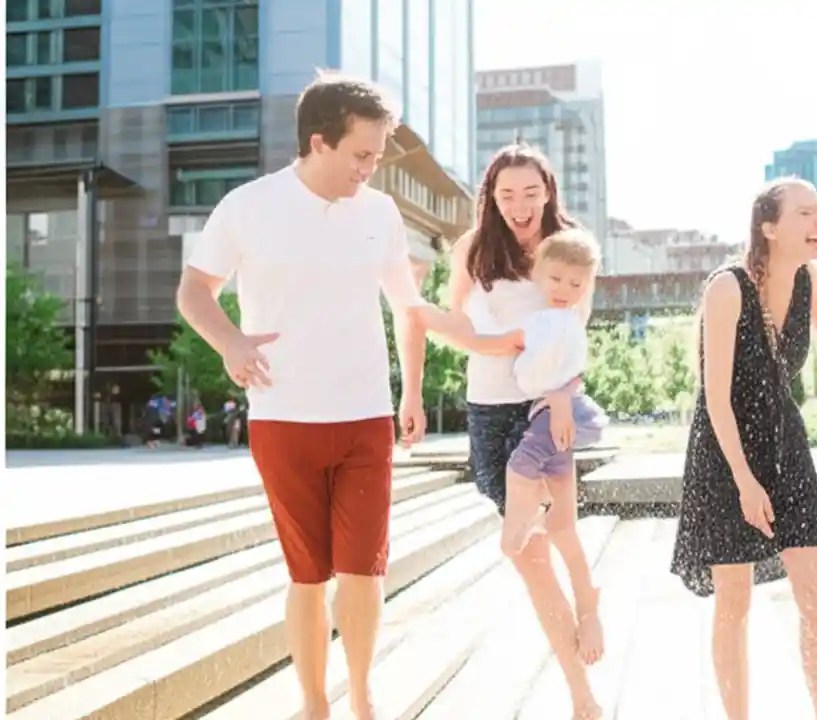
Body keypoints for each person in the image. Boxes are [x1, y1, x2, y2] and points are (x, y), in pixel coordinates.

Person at [176, 73, 430, 720]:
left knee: (365, 569)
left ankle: (364, 695)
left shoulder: (379, 212)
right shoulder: (249, 206)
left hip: (366, 416)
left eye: (376, 156)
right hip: (284, 419)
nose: (370, 170)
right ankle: (315, 704)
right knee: (309, 575)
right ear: (319, 142)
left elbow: (408, 307)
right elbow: (195, 290)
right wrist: (231, 343)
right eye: (361, 155)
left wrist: (414, 391)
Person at [670, 177, 817, 720]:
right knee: (734, 603)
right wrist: (743, 478)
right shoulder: (728, 287)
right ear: (769, 226)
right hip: (726, 453)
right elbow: (714, 399)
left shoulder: (812, 281)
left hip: (787, 447)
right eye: (805, 213)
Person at [434, 144, 605, 720]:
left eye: (530, 192)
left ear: (548, 191)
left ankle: (581, 690)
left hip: (542, 410)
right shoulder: (474, 248)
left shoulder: (571, 247)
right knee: (530, 545)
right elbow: (450, 320)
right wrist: (492, 344)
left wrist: (560, 398)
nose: (519, 205)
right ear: (492, 198)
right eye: (506, 194)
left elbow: (576, 336)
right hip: (487, 406)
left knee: (549, 540)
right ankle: (585, 623)